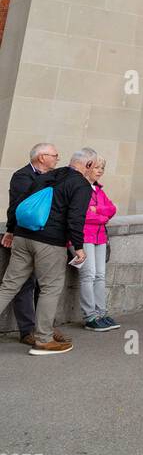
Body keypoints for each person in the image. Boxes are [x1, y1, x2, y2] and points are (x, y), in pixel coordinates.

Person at [0, 147, 96, 355]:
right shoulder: (81, 184)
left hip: (23, 236)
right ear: (88, 165)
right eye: (94, 166)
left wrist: (11, 229)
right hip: (49, 242)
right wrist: (78, 247)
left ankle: (42, 336)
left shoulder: (50, 174)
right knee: (50, 288)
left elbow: (19, 203)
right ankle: (43, 340)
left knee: (8, 286)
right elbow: (75, 218)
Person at [2, 142, 60, 345]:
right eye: (54, 155)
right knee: (24, 284)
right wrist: (10, 230)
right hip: (25, 236)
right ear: (42, 157)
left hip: (44, 237)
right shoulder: (22, 176)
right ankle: (27, 330)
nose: (57, 158)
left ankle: (45, 328)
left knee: (43, 285)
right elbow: (18, 207)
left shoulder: (51, 178)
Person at [79, 155, 119, 331]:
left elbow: (112, 209)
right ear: (87, 167)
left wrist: (99, 211)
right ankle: (90, 316)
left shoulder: (99, 190)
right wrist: (102, 217)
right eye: (97, 167)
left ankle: (101, 312)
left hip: (100, 237)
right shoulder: (80, 188)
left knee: (100, 275)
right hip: (84, 236)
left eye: (102, 168)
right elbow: (84, 214)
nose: (100, 171)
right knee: (88, 275)